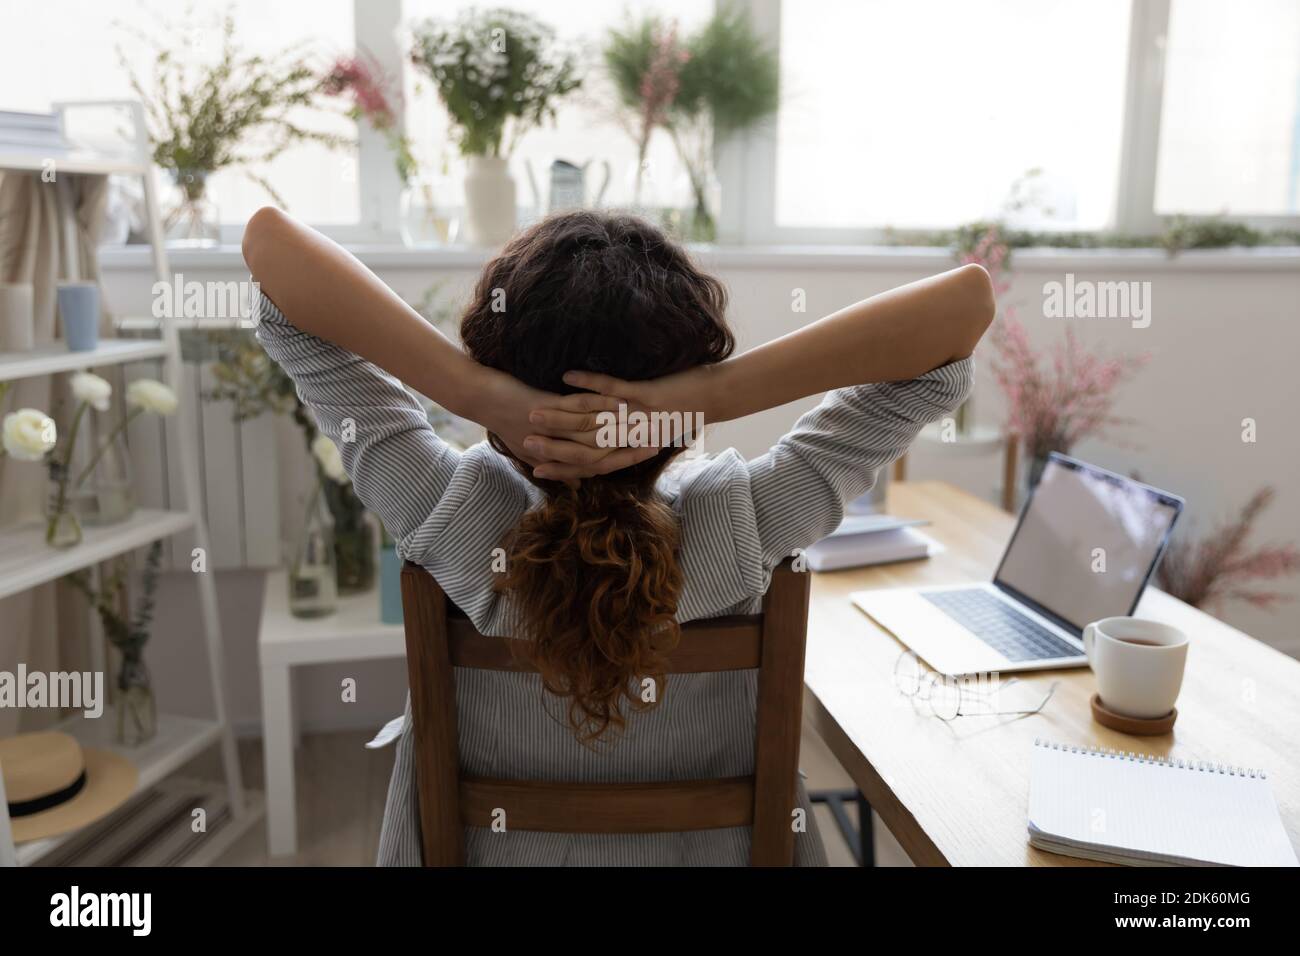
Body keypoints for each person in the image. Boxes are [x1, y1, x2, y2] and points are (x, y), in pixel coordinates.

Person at [242, 207, 993, 865]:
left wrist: (475, 393)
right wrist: (708, 399)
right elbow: (961, 313)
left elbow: (271, 252)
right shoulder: (747, 523)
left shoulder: (448, 513)